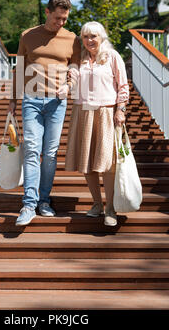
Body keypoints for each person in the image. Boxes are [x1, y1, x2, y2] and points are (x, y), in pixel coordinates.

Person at [8, 0, 81, 226]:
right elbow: (19, 69)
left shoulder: (72, 39)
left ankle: (44, 200)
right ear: (47, 12)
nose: (61, 23)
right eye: (58, 18)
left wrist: (68, 87)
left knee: (49, 154)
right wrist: (12, 100)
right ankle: (29, 204)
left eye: (65, 19)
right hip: (31, 99)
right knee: (31, 149)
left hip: (57, 104)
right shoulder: (28, 35)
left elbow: (75, 69)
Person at [65, 21, 129, 227]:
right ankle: (96, 204)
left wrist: (121, 109)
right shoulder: (79, 59)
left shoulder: (112, 56)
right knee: (87, 161)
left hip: (106, 112)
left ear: (102, 37)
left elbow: (123, 85)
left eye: (94, 36)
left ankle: (110, 208)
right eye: (85, 36)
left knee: (107, 163)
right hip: (82, 112)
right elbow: (72, 79)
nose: (90, 40)